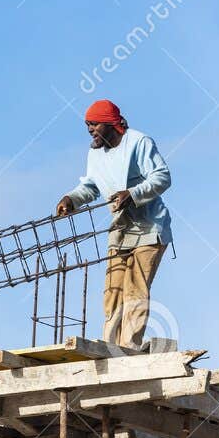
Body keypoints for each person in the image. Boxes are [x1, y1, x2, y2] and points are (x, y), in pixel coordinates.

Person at [54, 99, 173, 349]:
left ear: (110, 124)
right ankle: (110, 347)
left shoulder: (138, 142)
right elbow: (90, 186)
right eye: (87, 124)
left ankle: (128, 347)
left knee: (135, 289)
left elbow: (162, 176)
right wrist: (71, 199)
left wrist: (132, 194)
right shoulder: (95, 153)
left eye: (94, 124)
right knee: (112, 292)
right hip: (119, 231)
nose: (90, 129)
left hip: (149, 229)